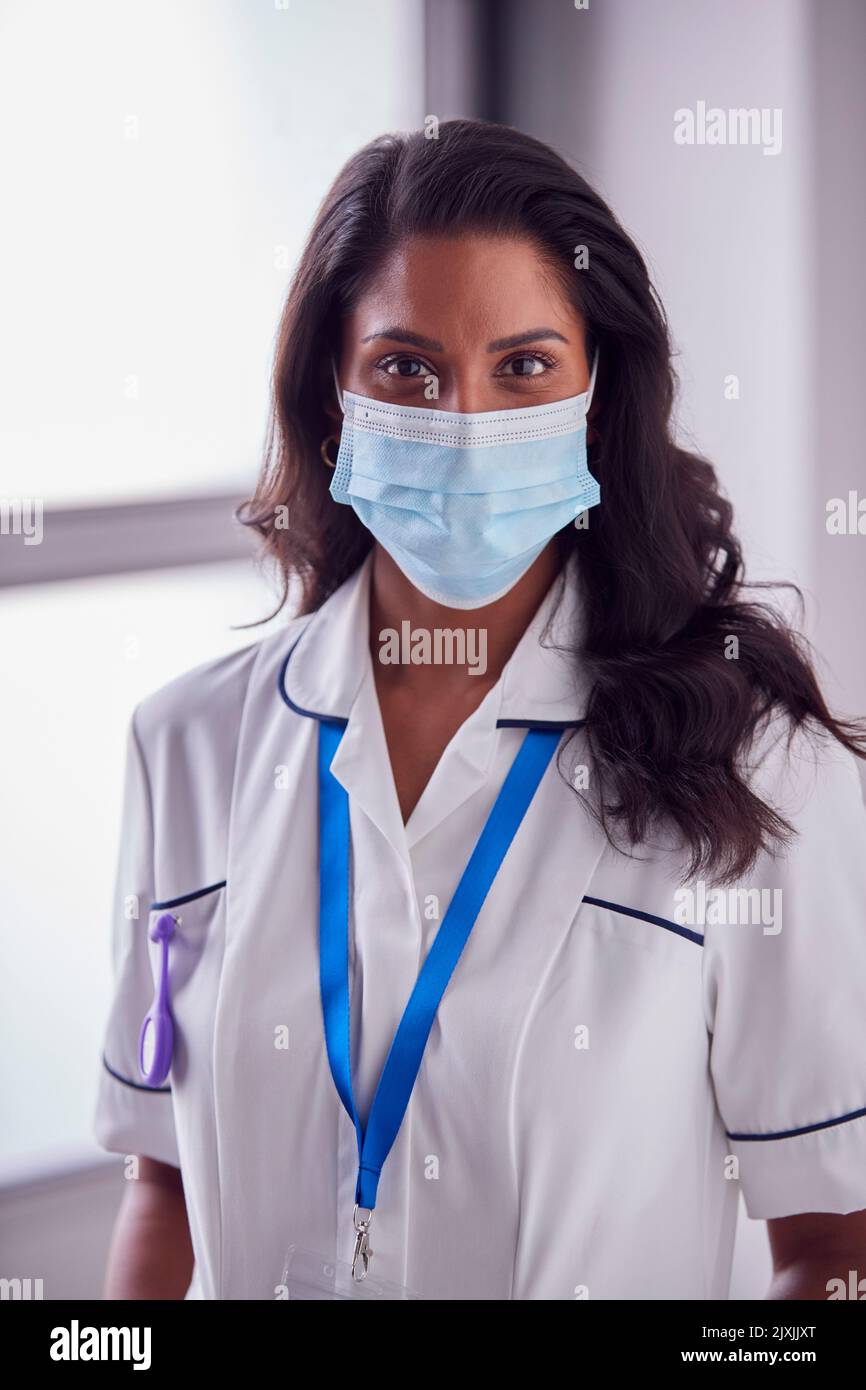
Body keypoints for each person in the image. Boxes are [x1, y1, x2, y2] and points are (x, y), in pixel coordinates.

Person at [94, 119, 866, 1301]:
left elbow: (829, 1253)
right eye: (406, 367)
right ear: (330, 392)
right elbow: (164, 1187)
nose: (463, 425)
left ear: (597, 392)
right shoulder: (187, 746)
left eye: (523, 366)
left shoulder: (762, 768)